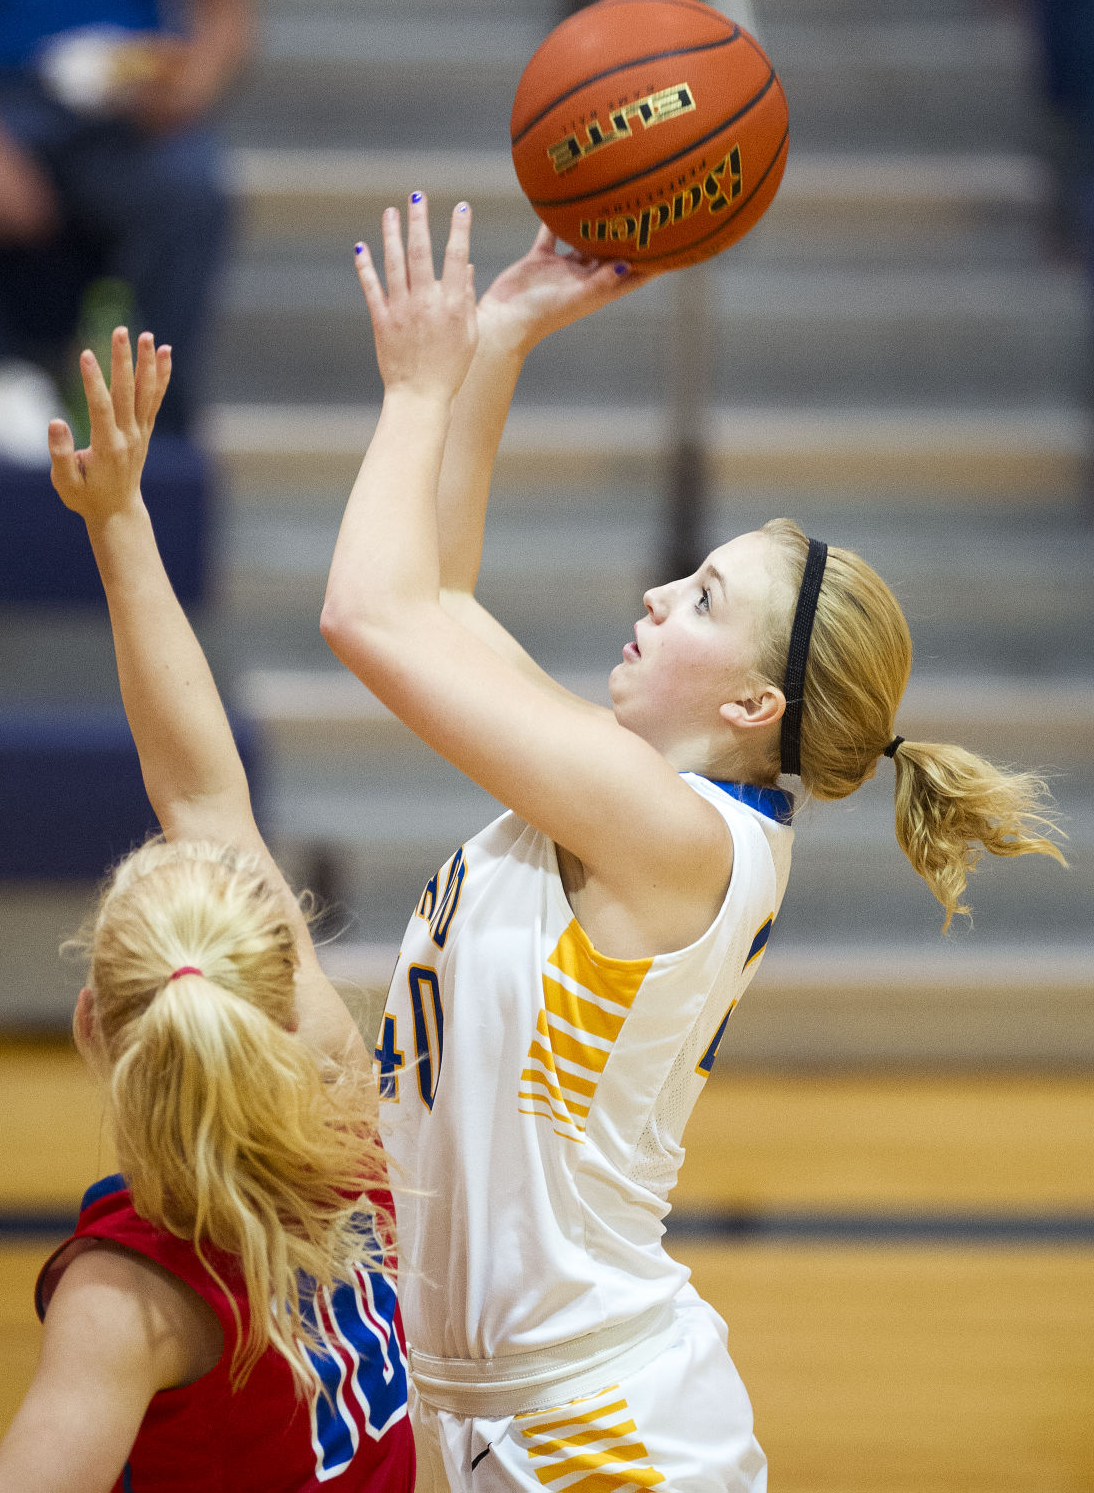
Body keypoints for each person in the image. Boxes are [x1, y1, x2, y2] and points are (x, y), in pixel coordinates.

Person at [320, 196, 1066, 1493]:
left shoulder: (668, 834)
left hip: (602, 1435)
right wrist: (498, 338)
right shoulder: (639, 802)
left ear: (750, 708)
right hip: (488, 1408)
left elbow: (369, 614)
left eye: (703, 597)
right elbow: (433, 593)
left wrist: (416, 390)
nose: (657, 598)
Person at [0, 329, 415, 1493]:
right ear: (279, 995)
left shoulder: (128, 1298)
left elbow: (199, 800)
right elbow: (204, 799)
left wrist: (113, 520)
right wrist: (121, 523)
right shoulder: (344, 1109)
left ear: (92, 1023)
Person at [0, 0, 251, 462]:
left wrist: (185, 87)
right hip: (10, 104)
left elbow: (226, 11)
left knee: (190, 189)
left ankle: (161, 442)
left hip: (131, 113)